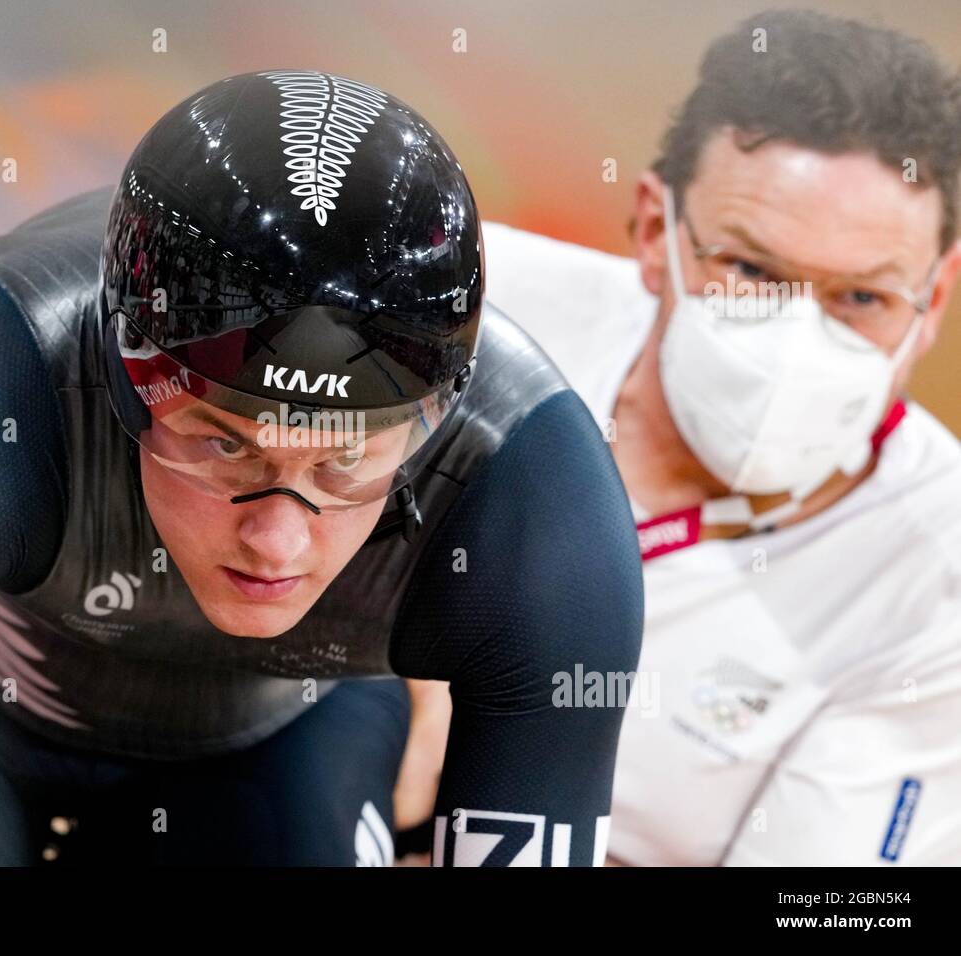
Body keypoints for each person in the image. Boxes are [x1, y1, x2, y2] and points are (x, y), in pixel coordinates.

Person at [0, 70, 644, 867]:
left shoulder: (534, 496)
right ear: (119, 382)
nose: (276, 539)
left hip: (283, 743)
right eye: (226, 445)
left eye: (345, 461)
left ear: (435, 428)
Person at [401, 9, 961, 865]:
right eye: (750, 270)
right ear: (658, 230)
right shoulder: (465, 304)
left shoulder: (936, 587)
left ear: (935, 297)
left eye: (863, 299)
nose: (795, 342)